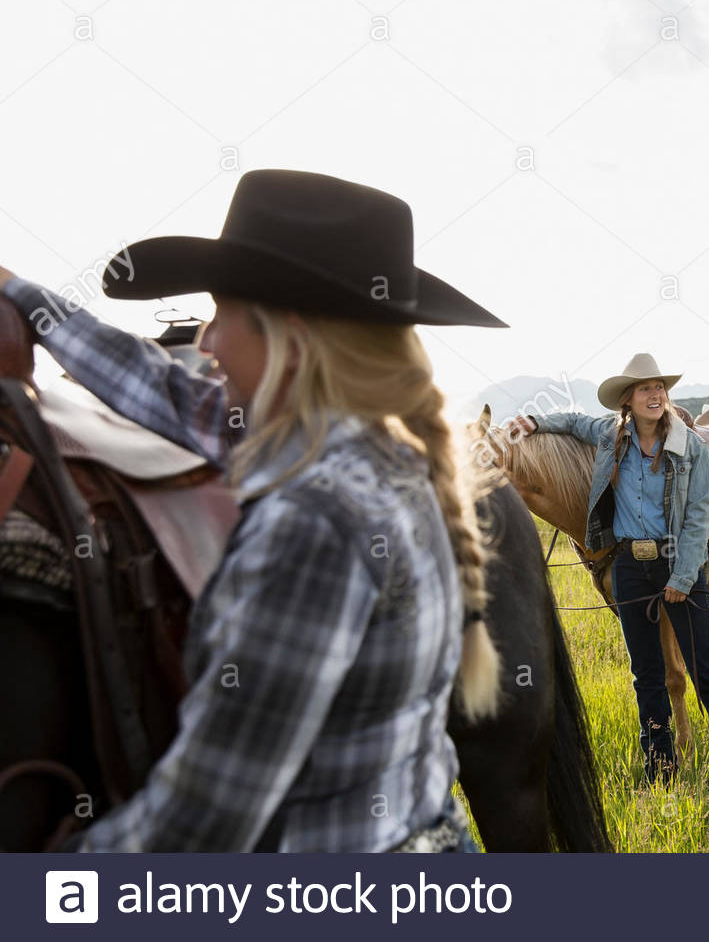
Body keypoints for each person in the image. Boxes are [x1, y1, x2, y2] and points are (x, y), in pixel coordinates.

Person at [0, 168, 509, 851]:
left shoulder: (313, 524)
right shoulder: (368, 454)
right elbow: (158, 388)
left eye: (221, 313)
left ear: (289, 339)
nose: (205, 343)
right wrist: (19, 294)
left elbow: (203, 826)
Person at [510, 353, 709, 785]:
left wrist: (682, 577)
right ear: (627, 400)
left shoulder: (690, 446)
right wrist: (532, 420)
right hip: (628, 567)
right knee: (647, 675)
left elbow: (699, 515)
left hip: (678, 563)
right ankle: (661, 769)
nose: (655, 393)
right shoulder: (610, 436)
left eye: (659, 386)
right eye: (645, 388)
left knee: (705, 670)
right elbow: (571, 421)